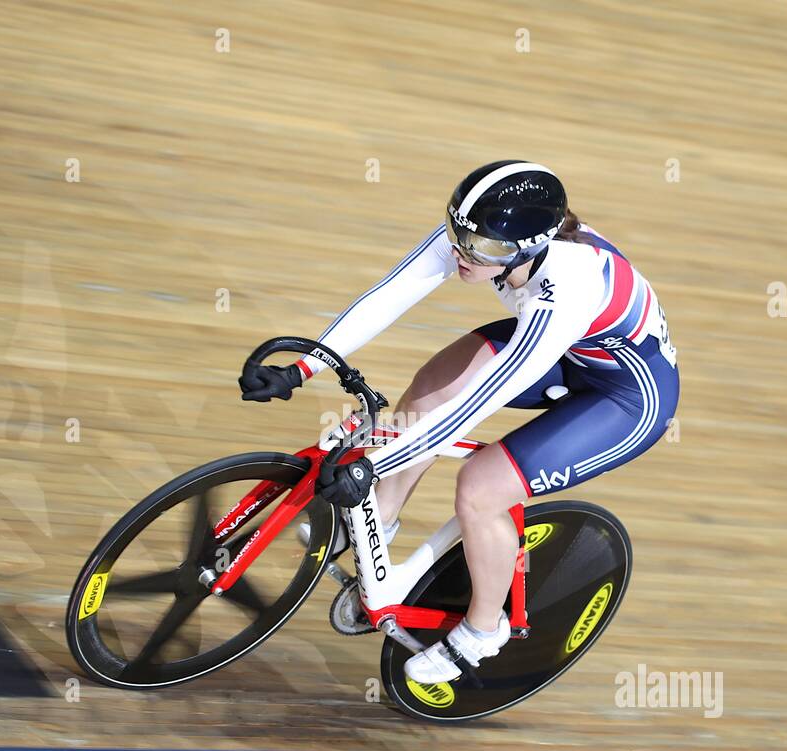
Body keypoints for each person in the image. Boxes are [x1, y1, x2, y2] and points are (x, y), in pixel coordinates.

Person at [240, 161, 679, 683]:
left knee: (480, 487)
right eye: (459, 236)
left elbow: (474, 405)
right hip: (570, 353)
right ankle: (378, 519)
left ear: (528, 248)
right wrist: (304, 365)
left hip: (626, 396)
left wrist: (372, 465)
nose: (465, 255)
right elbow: (393, 293)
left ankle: (482, 629)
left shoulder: (567, 288)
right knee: (429, 388)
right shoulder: (482, 232)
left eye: (486, 251)